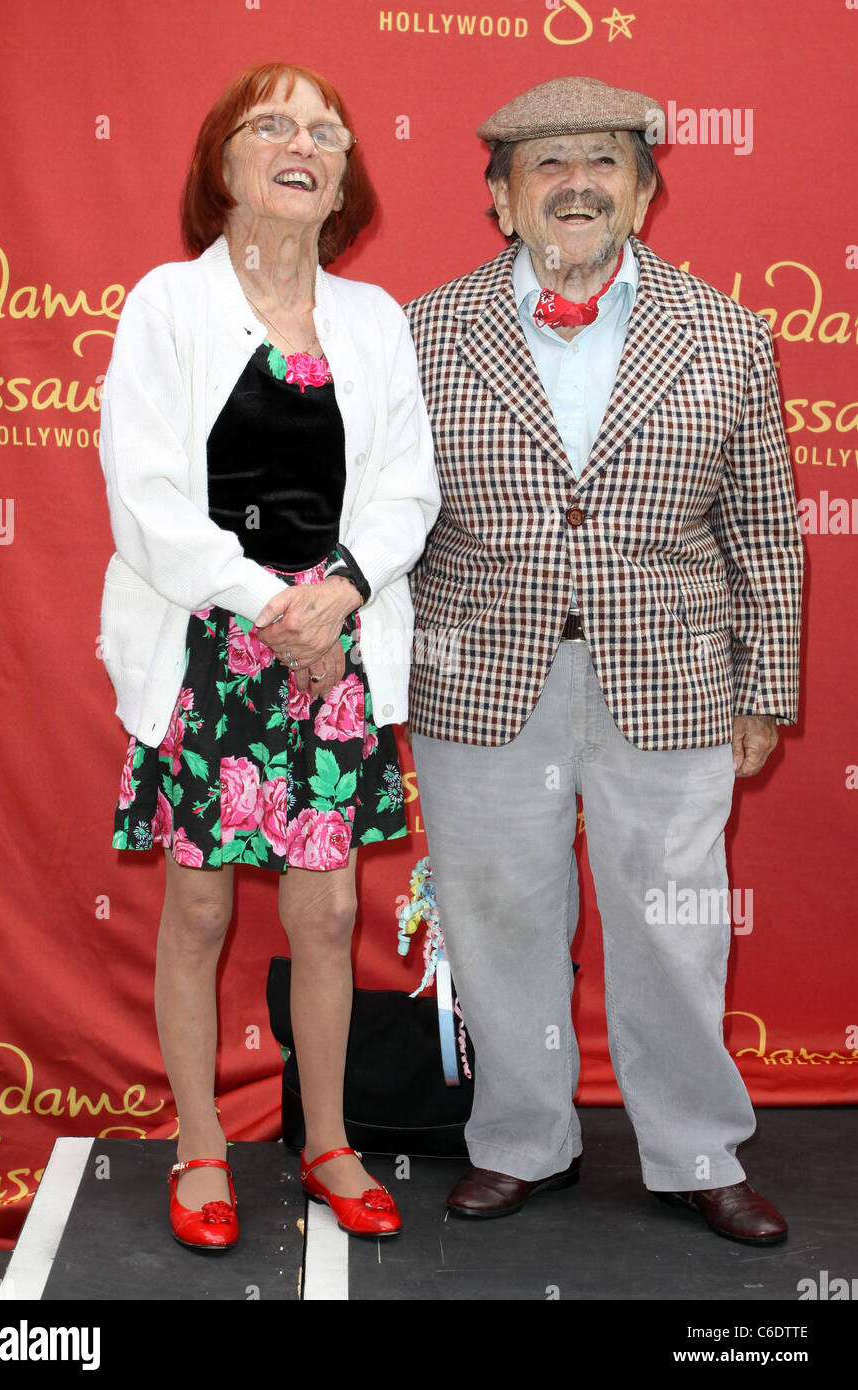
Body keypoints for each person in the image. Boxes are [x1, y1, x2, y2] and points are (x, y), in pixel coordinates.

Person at [404, 76, 802, 1244]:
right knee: (497, 921)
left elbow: (768, 525)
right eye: (546, 164)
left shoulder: (726, 330)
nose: (576, 182)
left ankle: (696, 1151)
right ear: (499, 198)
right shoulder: (424, 331)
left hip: (673, 678)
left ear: (644, 189)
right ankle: (522, 1141)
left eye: (604, 163)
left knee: (676, 923)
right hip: (476, 678)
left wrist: (766, 681)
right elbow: (387, 513)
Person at [98, 62, 439, 1249]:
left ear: (344, 177)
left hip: (332, 652)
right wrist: (271, 603)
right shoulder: (165, 305)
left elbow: (409, 488)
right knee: (196, 910)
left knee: (330, 909)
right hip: (211, 651)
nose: (308, 144)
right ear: (225, 165)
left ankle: (329, 1141)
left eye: (329, 133)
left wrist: (337, 594)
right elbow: (141, 497)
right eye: (276, 125)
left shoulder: (376, 318)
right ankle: (202, 1147)